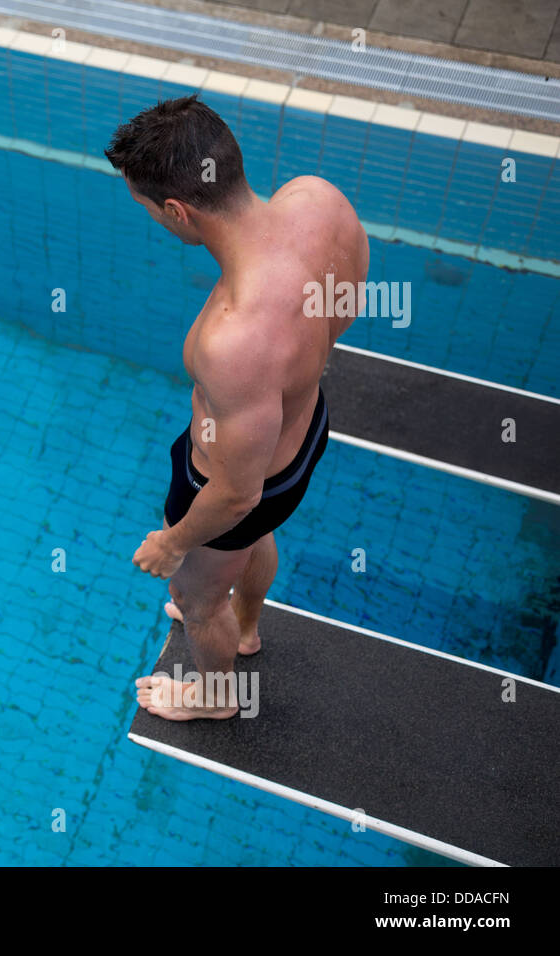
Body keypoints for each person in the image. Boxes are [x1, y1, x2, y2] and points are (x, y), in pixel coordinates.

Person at [103, 95, 368, 720]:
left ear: (177, 209)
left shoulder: (234, 340)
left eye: (149, 211)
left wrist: (173, 543)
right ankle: (246, 628)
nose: (155, 221)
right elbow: (346, 300)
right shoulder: (317, 200)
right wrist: (293, 365)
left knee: (195, 600)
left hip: (236, 483)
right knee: (254, 537)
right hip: (303, 431)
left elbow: (237, 496)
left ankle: (219, 696)